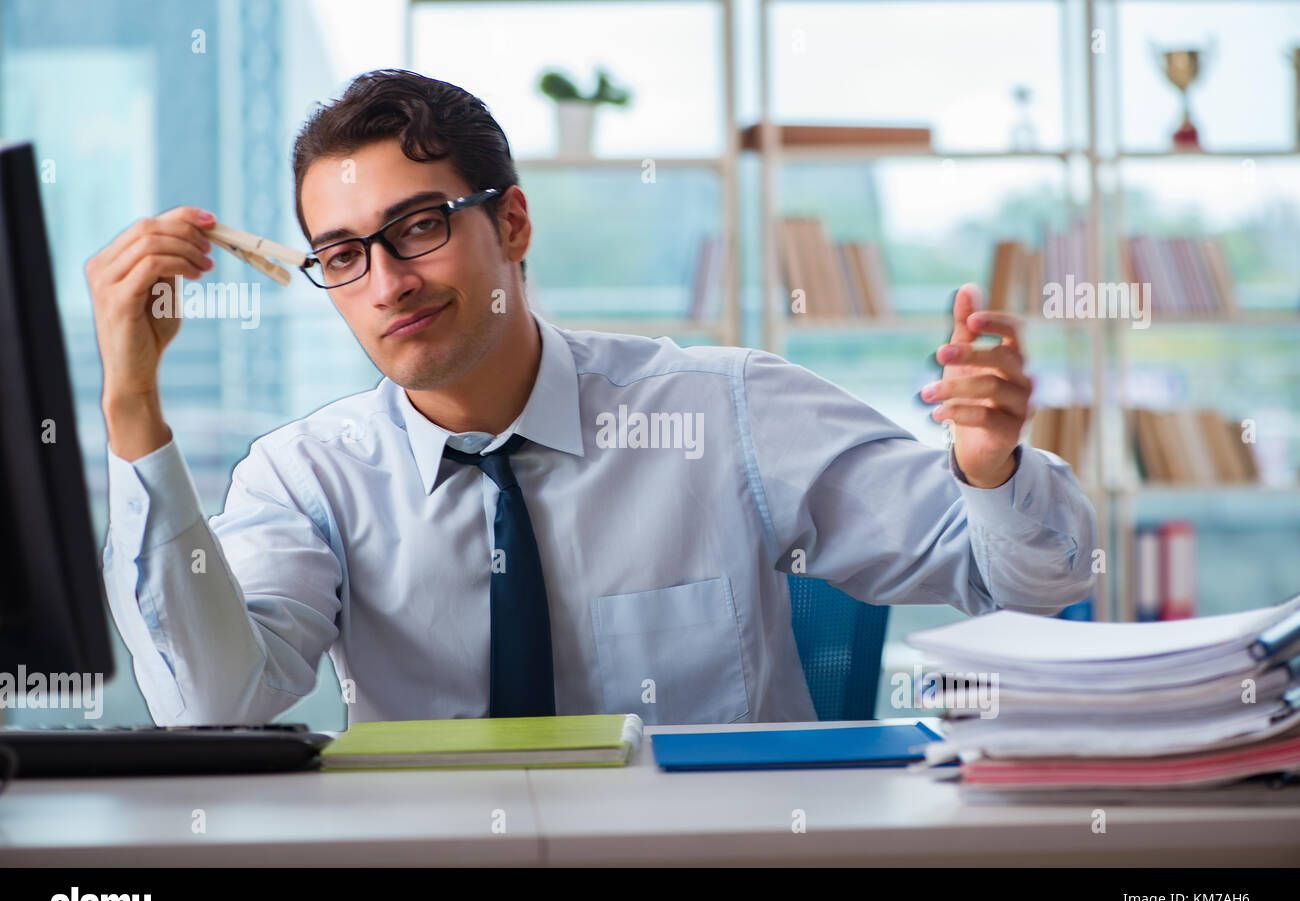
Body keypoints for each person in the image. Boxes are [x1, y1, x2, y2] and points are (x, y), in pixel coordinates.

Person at [89, 69, 1097, 727]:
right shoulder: (307, 479)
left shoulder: (721, 413)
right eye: (344, 255)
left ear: (513, 224)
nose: (388, 282)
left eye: (421, 226)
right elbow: (212, 705)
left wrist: (988, 469)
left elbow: (1031, 583)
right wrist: (133, 404)